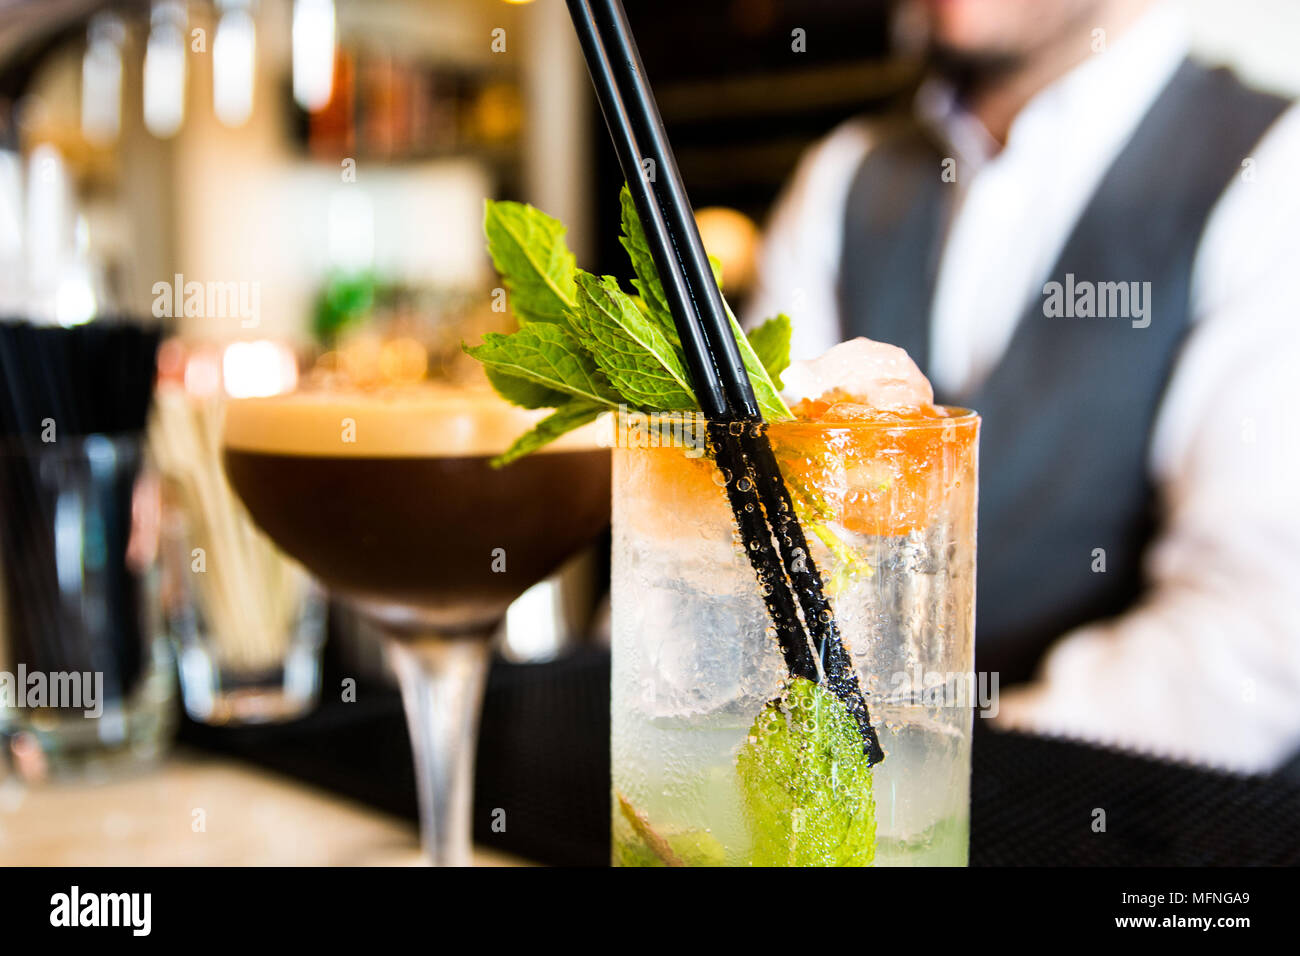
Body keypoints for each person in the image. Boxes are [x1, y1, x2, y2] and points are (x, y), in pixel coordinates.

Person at [747, 0, 1300, 772]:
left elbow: (1259, 628)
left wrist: (943, 790)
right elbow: (737, 545)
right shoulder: (846, 174)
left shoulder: (1271, 169)